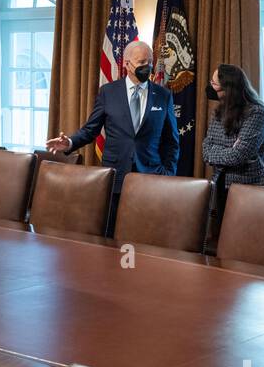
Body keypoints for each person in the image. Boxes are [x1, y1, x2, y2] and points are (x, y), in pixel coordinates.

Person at [46, 40, 180, 231]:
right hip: (116, 176)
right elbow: (90, 130)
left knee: (146, 234)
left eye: (150, 62)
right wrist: (69, 143)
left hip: (151, 177)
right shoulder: (108, 92)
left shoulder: (163, 95)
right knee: (111, 234)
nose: (147, 67)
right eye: (141, 62)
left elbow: (171, 141)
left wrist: (168, 174)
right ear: (127, 64)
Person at [202, 63, 264, 235]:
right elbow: (206, 150)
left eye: (214, 84)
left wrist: (222, 151)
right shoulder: (219, 111)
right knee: (223, 240)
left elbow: (239, 155)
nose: (210, 87)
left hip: (252, 189)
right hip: (222, 185)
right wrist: (230, 149)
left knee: (246, 242)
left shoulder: (256, 113)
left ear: (228, 89)